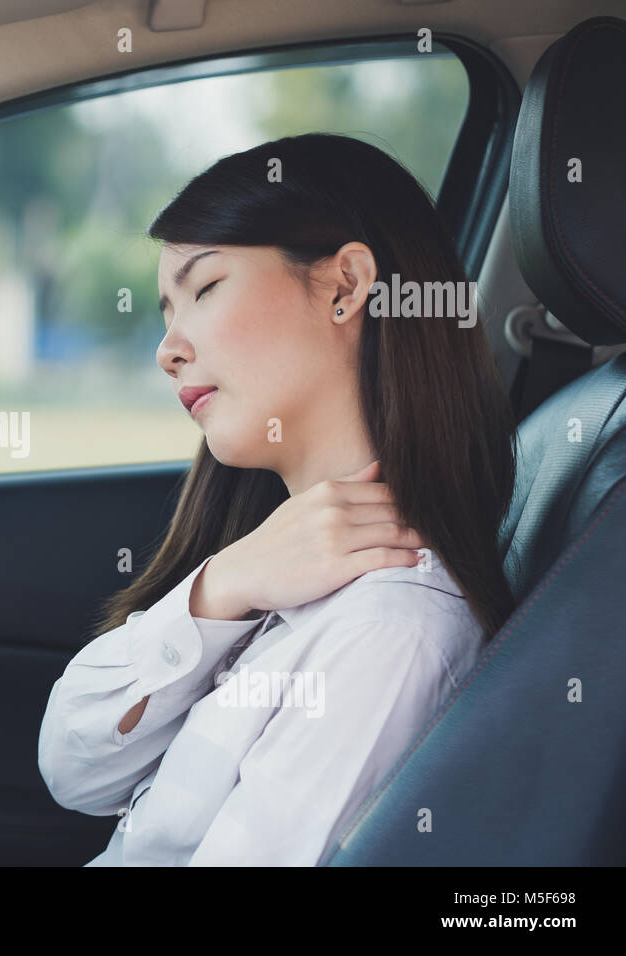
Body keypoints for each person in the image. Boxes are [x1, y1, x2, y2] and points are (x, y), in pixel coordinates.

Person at [37, 133, 517, 866]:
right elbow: (74, 772)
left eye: (204, 288)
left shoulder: (388, 629)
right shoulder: (267, 571)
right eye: (167, 309)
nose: (166, 348)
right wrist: (222, 586)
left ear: (346, 286)